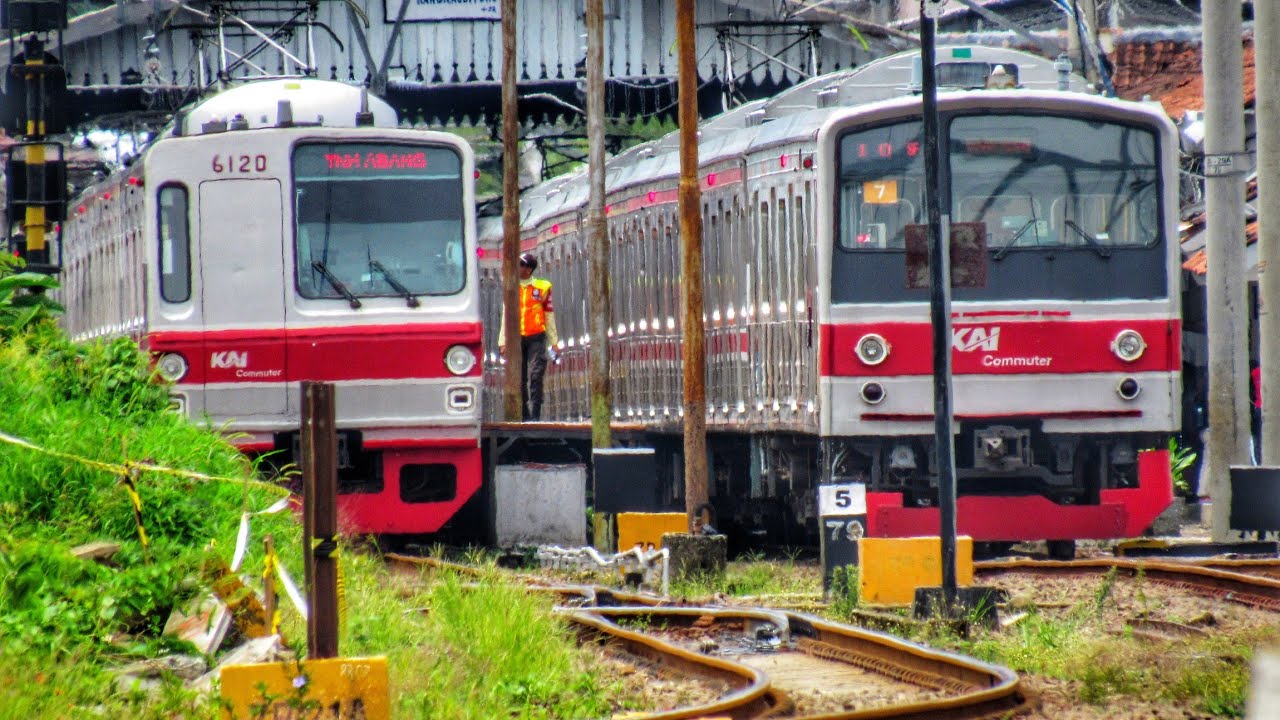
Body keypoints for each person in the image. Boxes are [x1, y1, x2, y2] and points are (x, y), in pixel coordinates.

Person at [498, 253, 559, 420]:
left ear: (529, 269)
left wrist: (554, 342)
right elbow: (506, 314)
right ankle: (523, 415)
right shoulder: (511, 287)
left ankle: (535, 415)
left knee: (536, 374)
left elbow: (549, 314)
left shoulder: (543, 287)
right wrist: (503, 341)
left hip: (536, 337)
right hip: (516, 339)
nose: (518, 267)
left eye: (521, 265)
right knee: (519, 377)